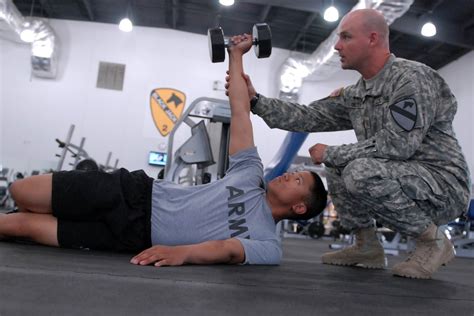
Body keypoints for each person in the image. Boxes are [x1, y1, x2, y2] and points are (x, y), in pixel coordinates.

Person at [0, 35, 327, 267]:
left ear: (299, 208)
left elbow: (228, 250)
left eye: (297, 180)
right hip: (133, 194)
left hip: (131, 237)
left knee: (20, 227)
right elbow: (240, 111)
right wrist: (237, 54)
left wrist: (181, 253)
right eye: (294, 173)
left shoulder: (269, 247)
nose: (288, 175)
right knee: (21, 191)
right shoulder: (249, 174)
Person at [227, 9, 470, 278]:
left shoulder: (411, 79)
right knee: (339, 166)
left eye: (346, 37)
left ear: (373, 39)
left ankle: (433, 242)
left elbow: (398, 146)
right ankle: (367, 246)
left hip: (443, 186)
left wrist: (331, 151)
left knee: (354, 168)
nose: (337, 46)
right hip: (406, 179)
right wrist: (256, 101)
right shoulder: (358, 94)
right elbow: (309, 116)